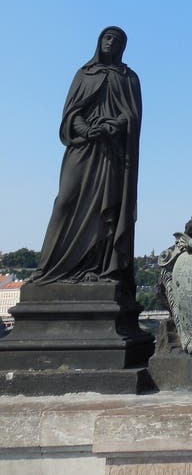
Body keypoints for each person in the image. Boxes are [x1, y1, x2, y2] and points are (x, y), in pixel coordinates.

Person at [30, 27, 142, 294]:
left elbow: (133, 117)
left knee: (106, 210)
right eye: (106, 37)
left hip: (110, 155)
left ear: (122, 47)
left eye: (116, 39)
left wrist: (112, 125)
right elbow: (71, 112)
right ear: (99, 41)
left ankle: (95, 267)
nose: (110, 41)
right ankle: (47, 268)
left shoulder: (129, 78)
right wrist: (84, 129)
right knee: (64, 201)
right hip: (82, 149)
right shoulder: (84, 74)